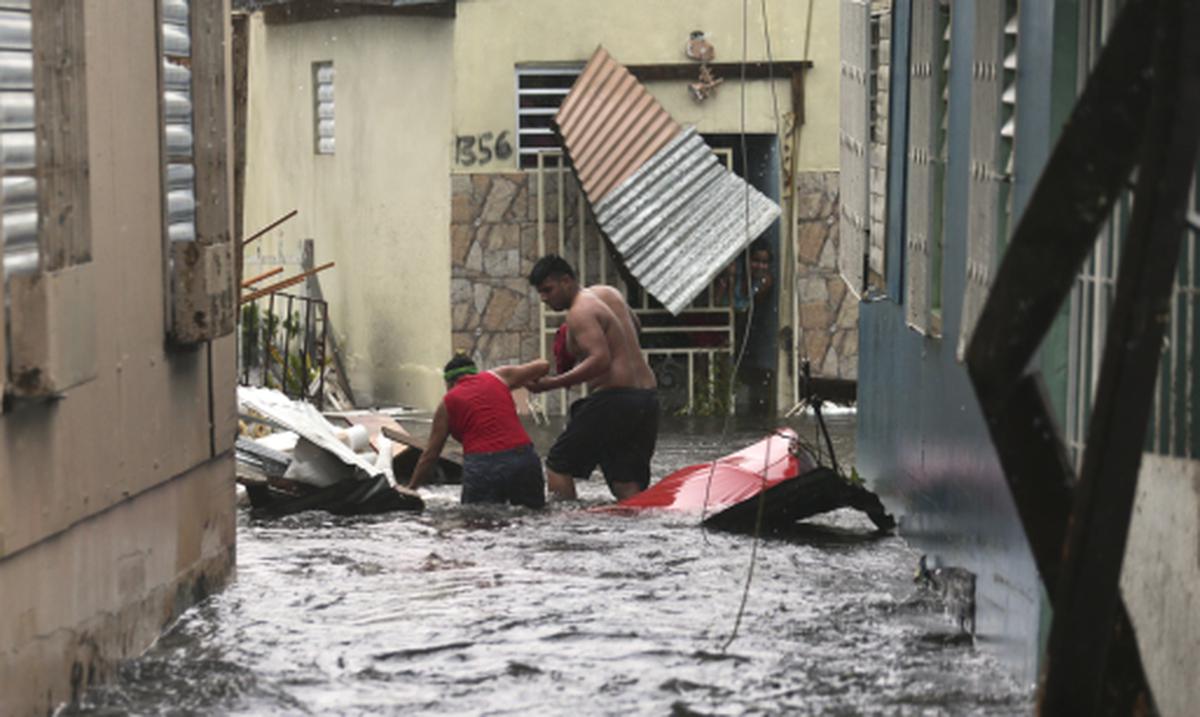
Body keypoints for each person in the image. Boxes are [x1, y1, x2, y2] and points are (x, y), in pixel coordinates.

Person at [526, 254, 659, 501]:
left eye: (548, 290)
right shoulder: (607, 293)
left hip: (615, 398)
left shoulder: (579, 312)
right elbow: (636, 325)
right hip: (647, 397)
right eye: (540, 293)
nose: (544, 298)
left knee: (557, 465)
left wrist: (552, 384)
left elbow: (600, 359)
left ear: (566, 281)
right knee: (625, 482)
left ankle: (569, 533)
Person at [407, 353, 549, 508]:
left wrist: (411, 488)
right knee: (533, 515)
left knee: (478, 521)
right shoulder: (498, 377)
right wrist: (525, 382)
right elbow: (543, 366)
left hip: (483, 467)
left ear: (449, 383)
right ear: (475, 372)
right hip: (523, 459)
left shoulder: (447, 404)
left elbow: (430, 455)